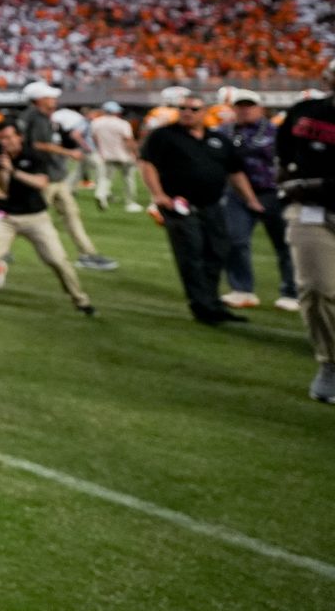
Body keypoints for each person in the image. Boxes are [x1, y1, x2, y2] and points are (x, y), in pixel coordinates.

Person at [140, 91, 264, 326]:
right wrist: (158, 195)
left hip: (213, 205)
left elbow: (234, 171)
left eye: (194, 109)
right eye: (183, 108)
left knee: (217, 252)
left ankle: (213, 302)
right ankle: (202, 307)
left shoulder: (218, 139)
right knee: (192, 254)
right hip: (180, 205)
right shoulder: (164, 135)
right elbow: (148, 165)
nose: (187, 112)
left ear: (205, 112)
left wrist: (250, 199)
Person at [0, 122, 95, 315]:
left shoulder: (33, 155)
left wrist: (13, 170)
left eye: (8, 137)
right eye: (1, 138)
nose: (5, 142)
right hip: (3, 216)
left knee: (57, 260)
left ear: (19, 137)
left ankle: (80, 299)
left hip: (35, 216)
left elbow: (41, 183)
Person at [273, 69, 335, 403]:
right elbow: (283, 153)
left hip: (314, 194)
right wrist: (286, 180)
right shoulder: (304, 112)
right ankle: (331, 363)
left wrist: (314, 183)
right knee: (316, 288)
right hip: (311, 212)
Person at [17, 81, 116, 272]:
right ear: (39, 99)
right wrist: (67, 153)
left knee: (70, 215)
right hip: (43, 177)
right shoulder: (36, 117)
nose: (54, 100)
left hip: (54, 177)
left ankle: (87, 254)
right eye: (50, 97)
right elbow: (38, 145)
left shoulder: (40, 117)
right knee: (32, 220)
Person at [221, 91, 296, 311]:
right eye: (240, 105)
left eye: (249, 105)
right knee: (235, 240)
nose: (244, 109)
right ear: (233, 108)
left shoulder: (277, 131)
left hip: (273, 193)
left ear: (260, 108)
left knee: (285, 243)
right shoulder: (224, 132)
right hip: (236, 194)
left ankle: (291, 292)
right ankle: (242, 290)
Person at [90, 101, 142, 212]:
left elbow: (95, 139)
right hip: (124, 155)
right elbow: (128, 141)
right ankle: (130, 202)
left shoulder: (96, 122)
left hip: (106, 155)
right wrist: (136, 154)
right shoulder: (122, 124)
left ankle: (100, 194)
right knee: (128, 179)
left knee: (106, 178)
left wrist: (101, 151)